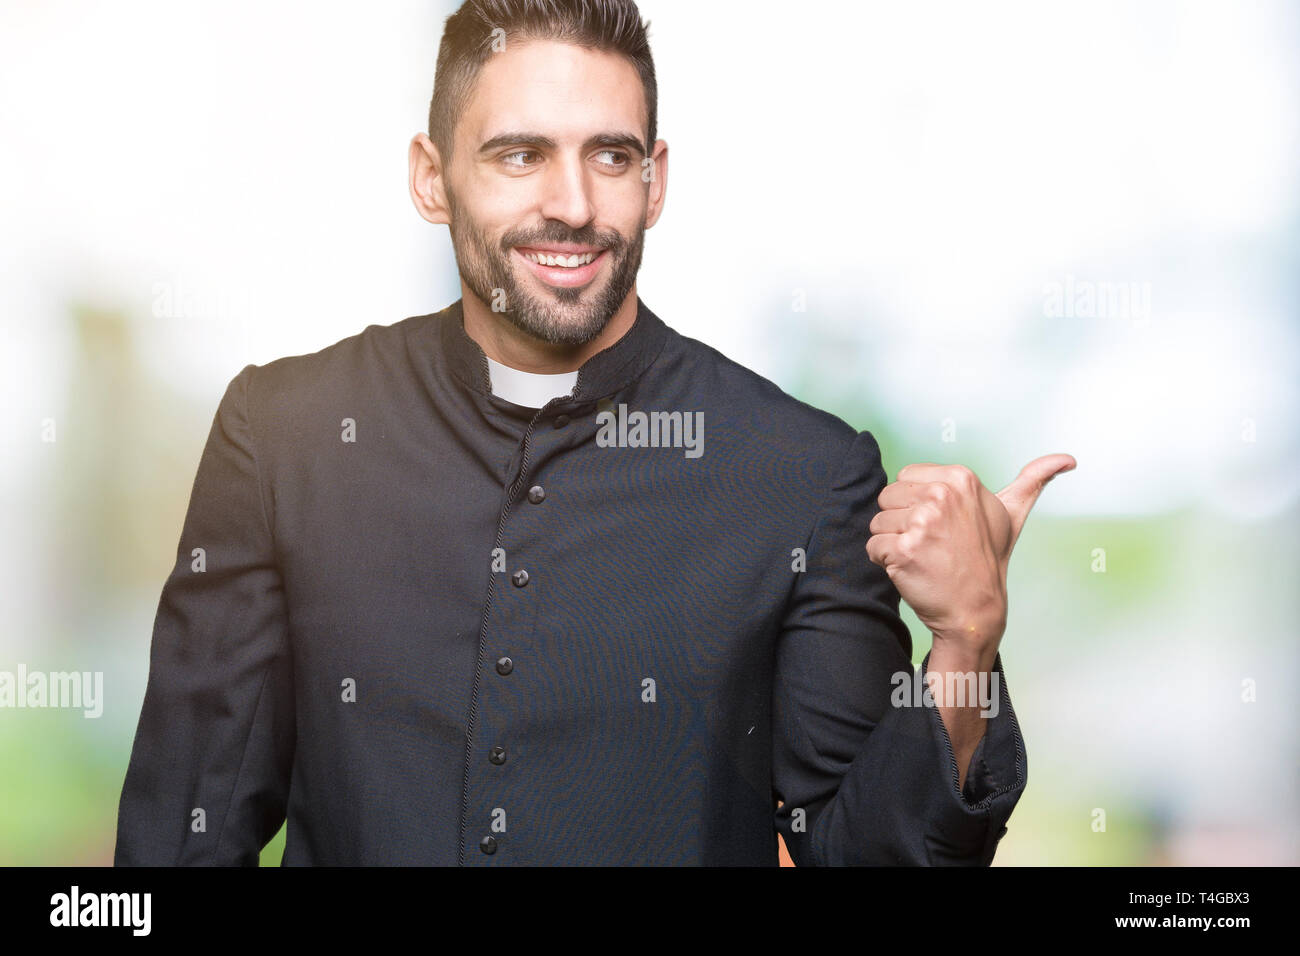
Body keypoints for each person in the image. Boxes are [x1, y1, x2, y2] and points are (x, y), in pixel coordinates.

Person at [114, 0, 1074, 866]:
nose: (572, 205)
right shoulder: (285, 435)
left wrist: (963, 645)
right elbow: (181, 837)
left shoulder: (805, 478)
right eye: (519, 154)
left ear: (654, 181)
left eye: (610, 156)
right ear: (431, 176)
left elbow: (864, 858)